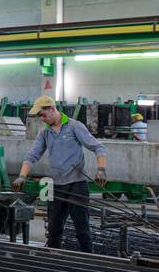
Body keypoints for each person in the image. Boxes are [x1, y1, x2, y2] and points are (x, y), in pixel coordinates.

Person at [13, 95, 108, 252]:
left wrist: (101, 170)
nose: (42, 119)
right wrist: (22, 176)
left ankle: (89, 262)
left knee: (82, 230)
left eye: (43, 115)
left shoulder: (74, 126)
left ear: (52, 108)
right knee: (54, 230)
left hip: (77, 185)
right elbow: (32, 156)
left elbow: (98, 147)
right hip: (56, 186)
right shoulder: (45, 133)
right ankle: (53, 261)